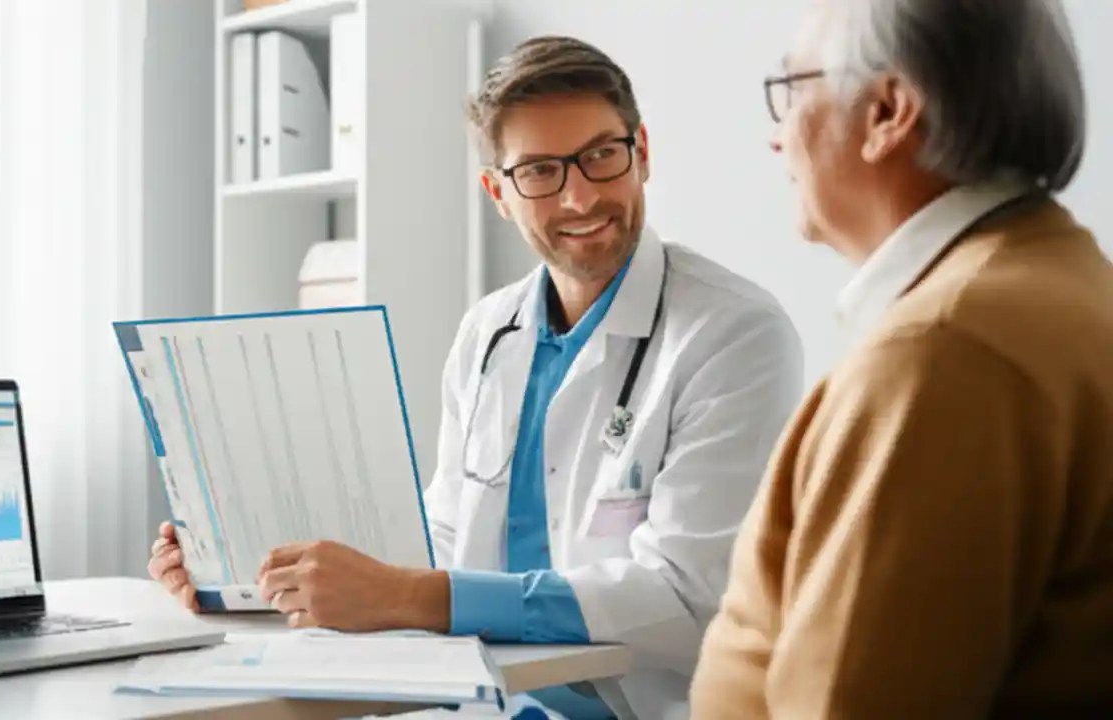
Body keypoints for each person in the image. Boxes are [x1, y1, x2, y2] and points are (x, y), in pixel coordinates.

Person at [151, 36, 803, 718]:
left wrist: (409, 596)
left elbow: (685, 598)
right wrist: (244, 573)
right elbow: (441, 540)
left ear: (642, 152)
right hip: (484, 702)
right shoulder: (488, 334)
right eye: (541, 172)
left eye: (602, 156)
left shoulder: (733, 334)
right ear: (498, 191)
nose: (580, 197)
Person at [691, 1, 1113, 718]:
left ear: (888, 110)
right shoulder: (1057, 282)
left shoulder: (944, 356)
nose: (778, 137)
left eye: (793, 91)